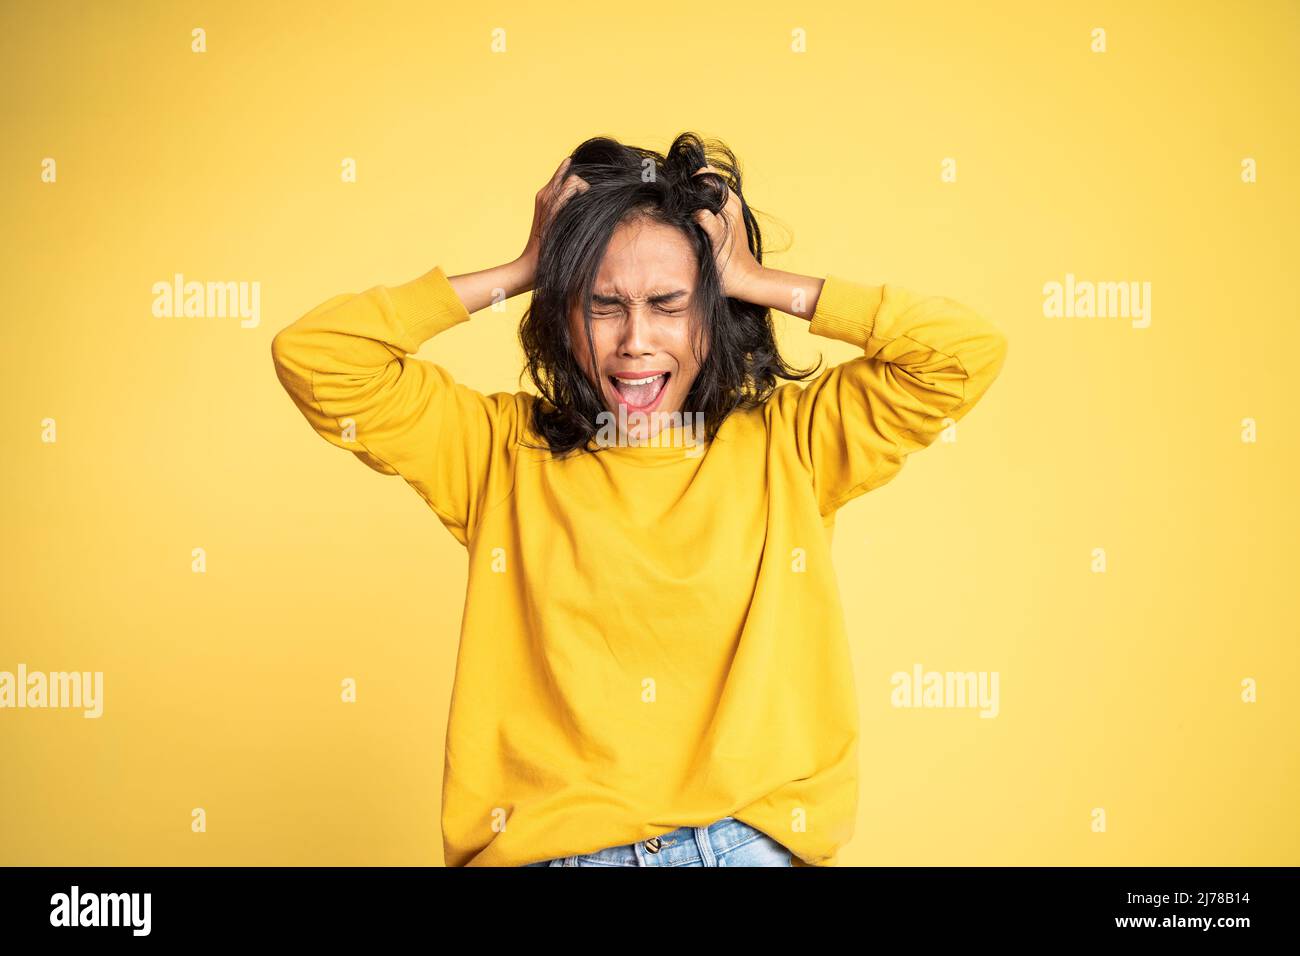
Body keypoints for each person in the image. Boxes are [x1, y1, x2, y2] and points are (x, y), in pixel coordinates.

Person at [270, 132, 1009, 867]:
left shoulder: (794, 446)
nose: (636, 340)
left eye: (668, 303)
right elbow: (319, 358)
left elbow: (961, 353)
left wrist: (754, 279)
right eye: (602, 305)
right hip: (556, 854)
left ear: (712, 313)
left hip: (746, 847)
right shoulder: (496, 452)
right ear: (563, 316)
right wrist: (526, 269)